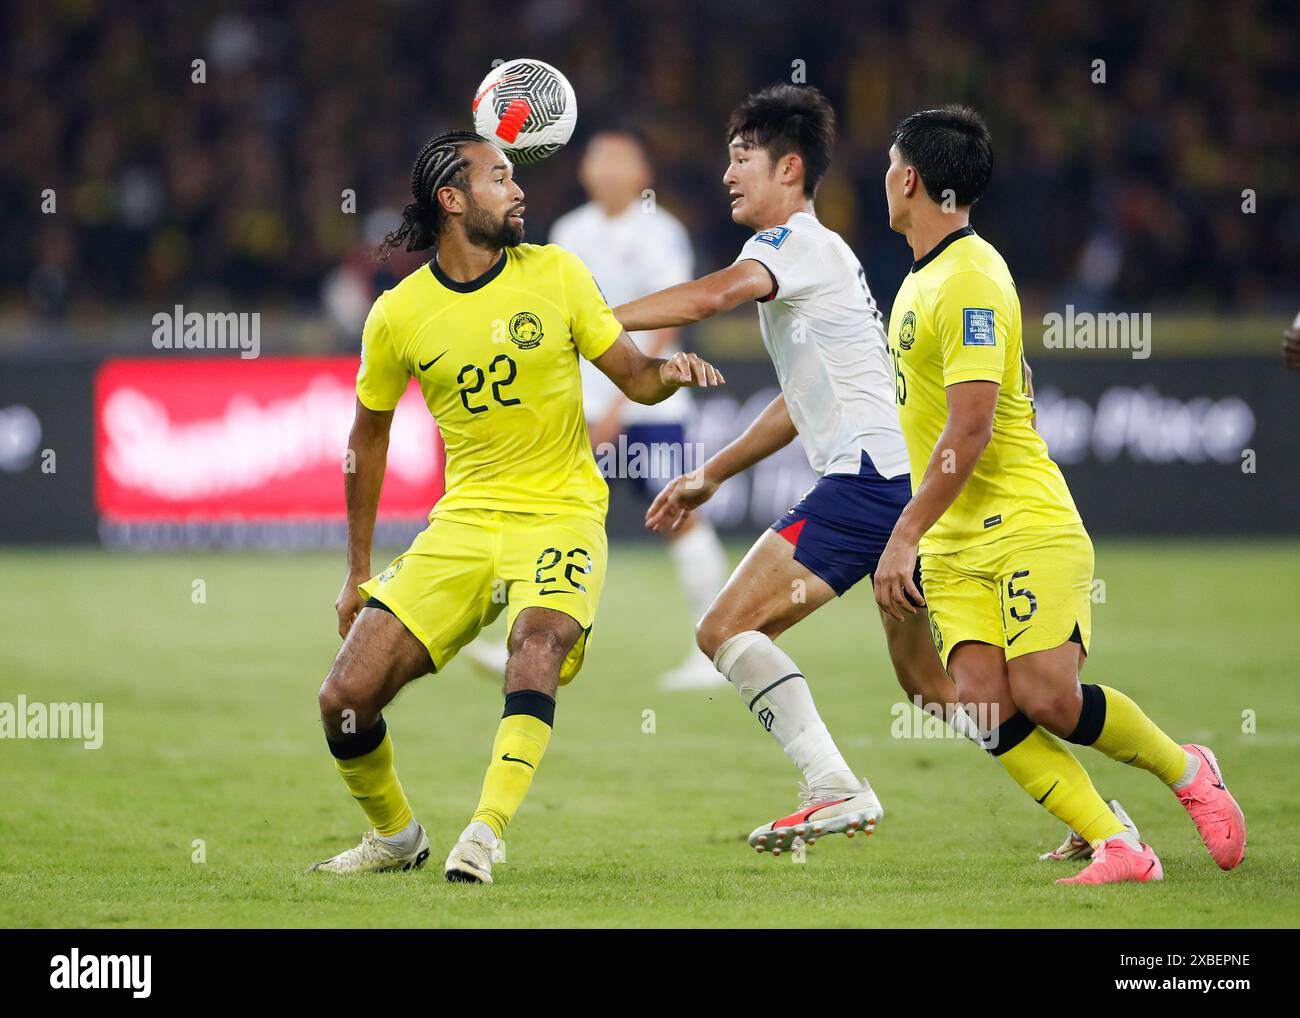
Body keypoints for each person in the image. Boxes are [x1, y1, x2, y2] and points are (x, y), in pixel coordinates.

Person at [308, 131, 723, 884]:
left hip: (561, 512)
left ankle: (485, 831)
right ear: (453, 200)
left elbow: (633, 376)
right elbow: (366, 442)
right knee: (344, 696)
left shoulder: (558, 273)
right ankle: (396, 836)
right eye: (500, 177)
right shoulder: (398, 314)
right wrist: (357, 574)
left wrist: (671, 371)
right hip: (465, 521)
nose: (519, 188)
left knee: (535, 648)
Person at [875, 106, 1246, 885]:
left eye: (889, 162)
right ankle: (1118, 843)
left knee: (1047, 696)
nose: (884, 175)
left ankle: (1188, 769)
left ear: (910, 178)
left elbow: (971, 430)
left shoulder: (972, 276)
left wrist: (902, 534)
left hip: (1022, 522)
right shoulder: (922, 279)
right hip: (954, 537)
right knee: (980, 701)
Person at [614, 84, 970, 855]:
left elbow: (710, 299)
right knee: (934, 689)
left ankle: (833, 786)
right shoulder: (819, 259)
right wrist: (712, 474)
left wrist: (592, 319)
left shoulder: (794, 246)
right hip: (893, 485)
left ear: (790, 168)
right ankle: (1099, 808)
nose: (727, 174)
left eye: (742, 158)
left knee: (722, 627)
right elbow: (799, 400)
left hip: (868, 485)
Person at [463, 129, 730, 690]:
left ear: (643, 174)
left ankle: (716, 649)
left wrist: (621, 404)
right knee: (545, 518)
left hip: (650, 407)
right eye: (598, 160)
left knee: (677, 516)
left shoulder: (660, 231)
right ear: (584, 172)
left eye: (619, 160)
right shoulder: (569, 231)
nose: (607, 170)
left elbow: (671, 317)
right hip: (578, 409)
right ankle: (526, 643)